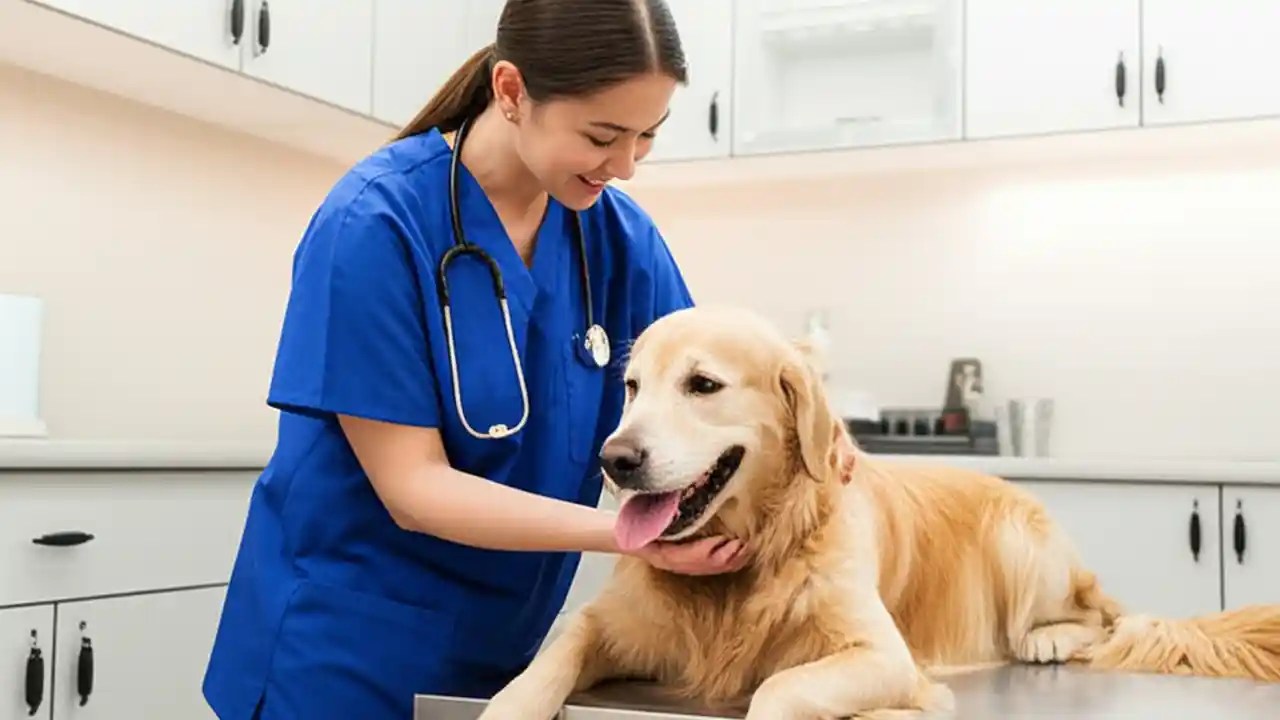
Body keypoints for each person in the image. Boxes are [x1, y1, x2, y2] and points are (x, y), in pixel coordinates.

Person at [201, 1, 750, 718]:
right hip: (345, 658)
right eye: (603, 135)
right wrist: (631, 535)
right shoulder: (375, 222)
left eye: (647, 136)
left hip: (504, 657)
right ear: (513, 92)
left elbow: (698, 395)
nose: (625, 167)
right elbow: (414, 489)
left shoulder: (617, 238)